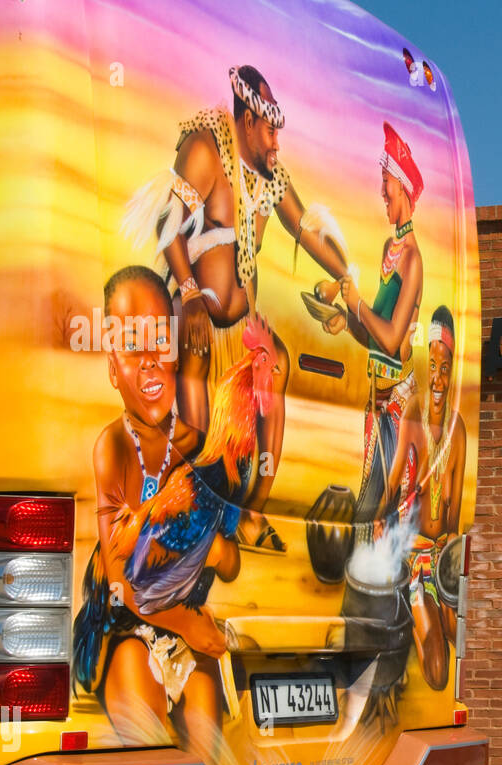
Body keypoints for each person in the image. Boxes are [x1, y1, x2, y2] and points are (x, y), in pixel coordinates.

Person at [124, 65, 352, 552]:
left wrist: (346, 275)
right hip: (195, 317)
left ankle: (251, 512)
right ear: (248, 121)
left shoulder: (270, 176)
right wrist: (188, 296)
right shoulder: (206, 149)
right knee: (195, 360)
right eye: (270, 130)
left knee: (279, 365)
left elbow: (307, 231)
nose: (276, 142)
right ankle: (196, 518)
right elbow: (170, 222)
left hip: (241, 328)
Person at [72, 266, 238, 757]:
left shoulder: (201, 450)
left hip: (185, 627)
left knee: (210, 757)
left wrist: (216, 554)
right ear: (111, 366)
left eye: (158, 341)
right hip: (126, 629)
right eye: (131, 344)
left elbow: (229, 560)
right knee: (151, 755)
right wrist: (186, 624)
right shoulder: (113, 448)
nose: (148, 361)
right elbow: (120, 581)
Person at [316, 122, 424, 535]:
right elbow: (376, 338)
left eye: (386, 185)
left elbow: (394, 338)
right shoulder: (388, 250)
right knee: (370, 513)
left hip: (396, 409)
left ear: (403, 189)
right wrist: (349, 323)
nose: (382, 194)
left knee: (377, 516)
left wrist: (356, 301)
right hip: (375, 403)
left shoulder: (412, 259)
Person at [383, 307, 466, 690]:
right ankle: (410, 616)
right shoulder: (413, 414)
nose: (436, 377)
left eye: (444, 367)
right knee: (437, 671)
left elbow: (456, 515)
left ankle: (428, 617)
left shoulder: (457, 429)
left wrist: (451, 551)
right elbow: (393, 480)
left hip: (440, 561)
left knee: (460, 640)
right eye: (431, 365)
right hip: (413, 559)